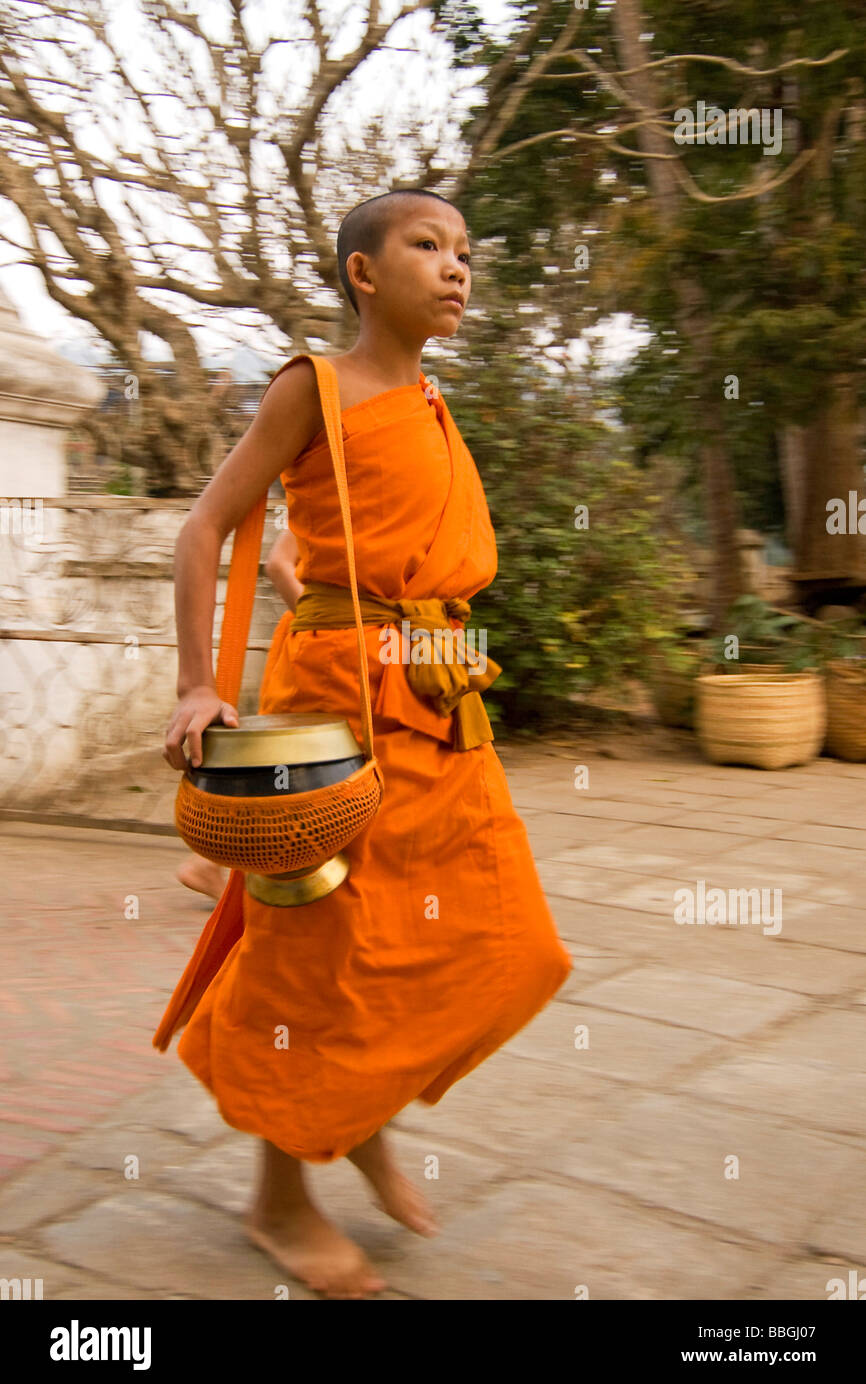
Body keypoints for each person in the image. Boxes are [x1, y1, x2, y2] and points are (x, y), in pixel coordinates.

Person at [158, 188, 572, 1299]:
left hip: (440, 703)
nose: (455, 267)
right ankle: (279, 1200)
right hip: (333, 710)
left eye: (466, 252)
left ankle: (357, 1109)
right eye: (427, 246)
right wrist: (199, 683)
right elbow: (205, 525)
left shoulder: (430, 402)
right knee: (322, 959)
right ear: (362, 274)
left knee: (502, 941)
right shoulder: (316, 387)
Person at [173, 528, 304, 901]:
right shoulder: (327, 489)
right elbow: (279, 564)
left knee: (287, 764)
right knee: (287, 763)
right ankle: (212, 864)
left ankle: (213, 864)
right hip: (314, 640)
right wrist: (322, 623)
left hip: (334, 640)